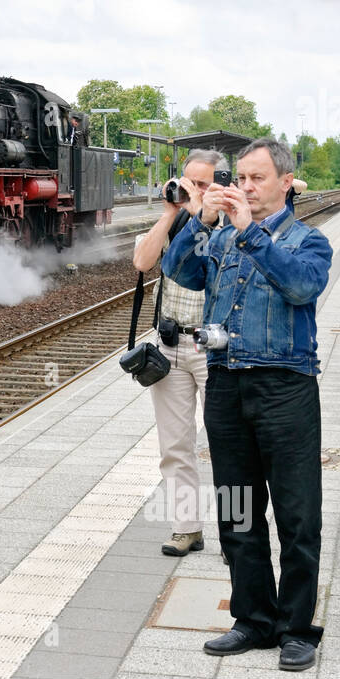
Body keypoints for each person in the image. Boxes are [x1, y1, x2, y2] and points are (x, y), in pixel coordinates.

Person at [163, 138, 333, 671]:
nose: (245, 187)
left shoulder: (309, 240)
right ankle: (252, 618)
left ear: (286, 181)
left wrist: (249, 232)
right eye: (240, 178)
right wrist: (197, 220)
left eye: (257, 178)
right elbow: (178, 269)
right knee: (238, 508)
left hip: (286, 387)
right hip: (228, 386)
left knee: (298, 513)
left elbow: (302, 287)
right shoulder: (221, 237)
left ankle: (297, 627)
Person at [132, 149, 226, 557]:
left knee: (227, 444)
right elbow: (141, 261)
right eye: (190, 183)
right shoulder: (175, 222)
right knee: (175, 445)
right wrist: (173, 212)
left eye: (204, 185)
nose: (196, 192)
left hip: (215, 348)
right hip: (171, 345)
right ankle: (186, 527)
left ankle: (236, 536)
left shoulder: (231, 224)